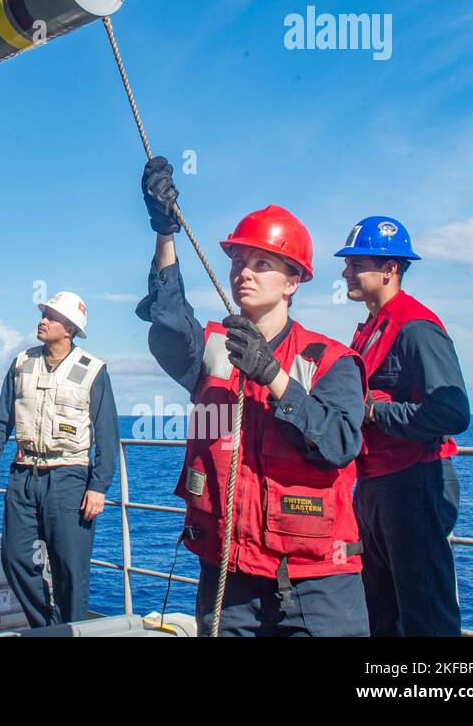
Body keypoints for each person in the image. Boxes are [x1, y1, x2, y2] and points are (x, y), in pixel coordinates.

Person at [137, 156, 369, 636]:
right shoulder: (213, 348)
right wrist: (165, 233)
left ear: (293, 281)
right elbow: (169, 324)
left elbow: (339, 444)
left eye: (261, 263)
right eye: (239, 262)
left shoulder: (331, 361)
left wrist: (274, 377)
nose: (244, 272)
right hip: (231, 577)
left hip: (316, 583)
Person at [335, 215, 471, 636]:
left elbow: (453, 413)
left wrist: (376, 412)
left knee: (425, 611)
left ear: (389, 269)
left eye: (356, 264)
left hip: (414, 481)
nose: (346, 272)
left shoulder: (415, 327)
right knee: (380, 608)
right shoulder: (372, 330)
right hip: (377, 485)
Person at [0, 291, 119, 627]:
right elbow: (2, 417)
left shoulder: (92, 370)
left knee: (70, 567)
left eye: (52, 317)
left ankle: (71, 631)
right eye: (44, 314)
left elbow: (106, 435)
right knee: (14, 558)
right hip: (24, 474)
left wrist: (98, 487)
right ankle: (50, 629)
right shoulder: (21, 363)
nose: (43, 320)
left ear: (69, 328)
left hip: (70, 477)